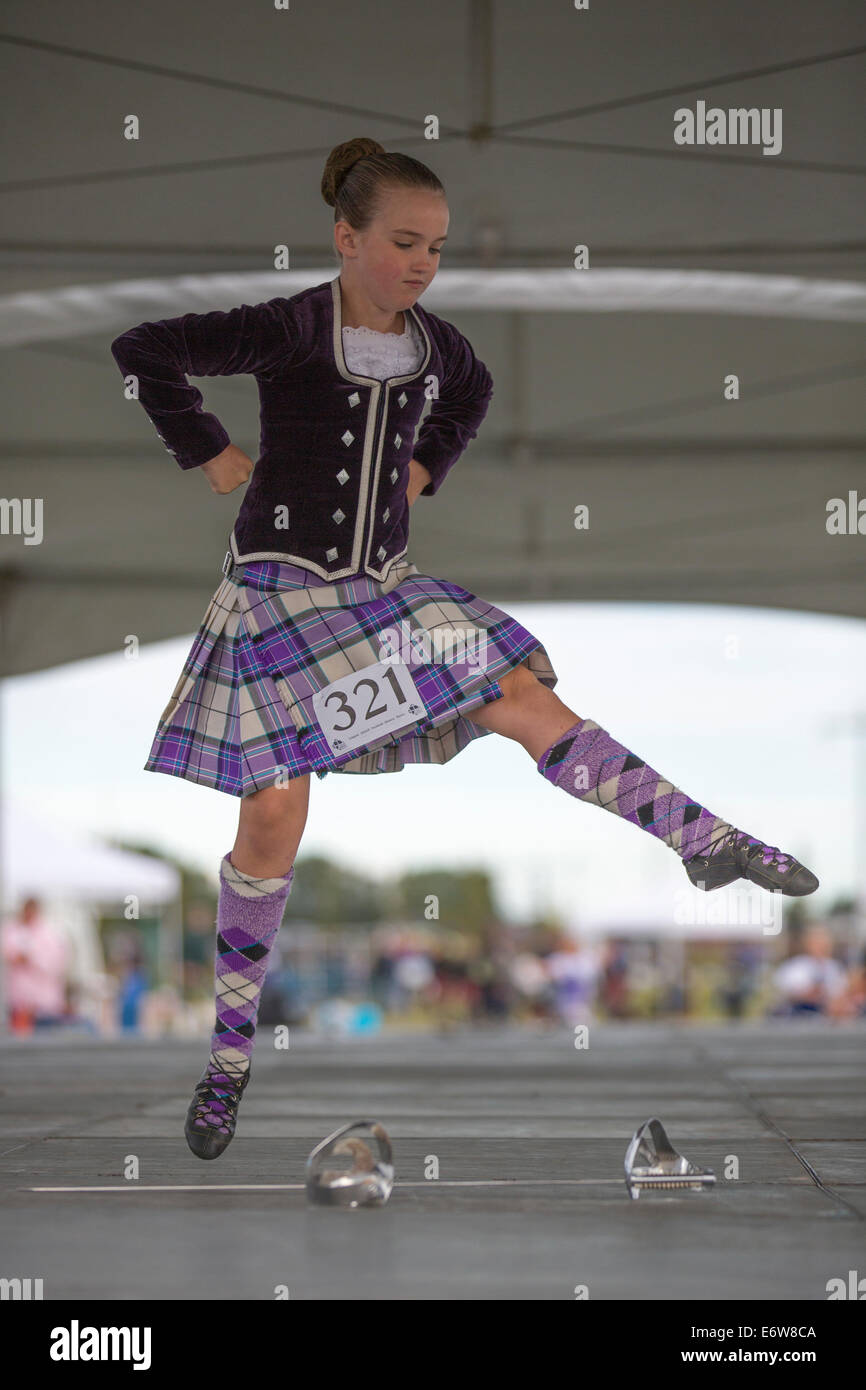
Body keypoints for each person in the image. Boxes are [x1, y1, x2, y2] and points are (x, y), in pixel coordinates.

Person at [109, 137, 819, 1161]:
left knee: (519, 692)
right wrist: (209, 448)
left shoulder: (439, 348)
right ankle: (227, 1059)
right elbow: (144, 349)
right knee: (270, 820)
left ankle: (697, 838)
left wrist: (425, 468)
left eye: (435, 249)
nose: (421, 265)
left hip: (383, 598)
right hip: (276, 596)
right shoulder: (287, 328)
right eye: (402, 243)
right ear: (345, 239)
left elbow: (473, 393)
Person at [1, 896, 70, 1032]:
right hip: (20, 1003)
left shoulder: (50, 933)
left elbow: (56, 964)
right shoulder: (11, 930)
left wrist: (32, 960)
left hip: (45, 1004)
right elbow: (8, 954)